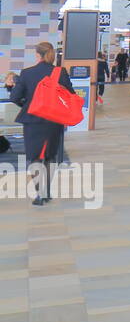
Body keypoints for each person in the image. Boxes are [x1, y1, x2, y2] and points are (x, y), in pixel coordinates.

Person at [8, 41, 75, 205]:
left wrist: (30, 105)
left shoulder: (26, 73)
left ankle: (40, 193)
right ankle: (48, 191)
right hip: (54, 120)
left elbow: (15, 97)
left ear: (37, 55)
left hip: (33, 121)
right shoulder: (60, 72)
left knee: (34, 158)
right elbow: (70, 95)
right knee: (50, 156)